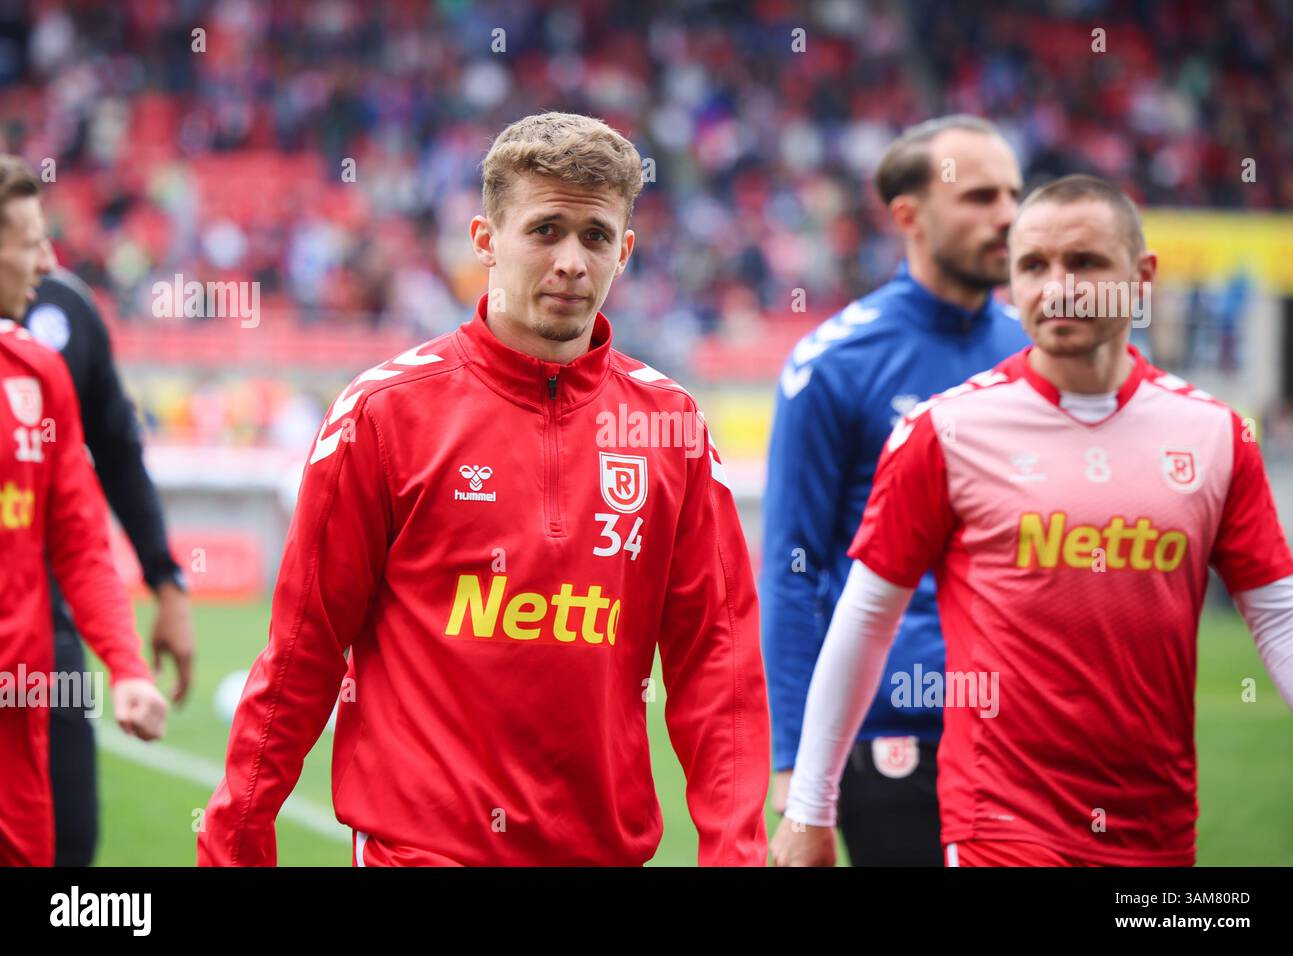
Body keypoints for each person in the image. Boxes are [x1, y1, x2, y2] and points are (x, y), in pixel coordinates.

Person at [198, 112, 770, 867]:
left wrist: (737, 852)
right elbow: (304, 651)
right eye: (545, 230)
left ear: (624, 252)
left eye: (595, 237)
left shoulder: (673, 427)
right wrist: (234, 843)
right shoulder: (384, 412)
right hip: (423, 852)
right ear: (485, 240)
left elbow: (718, 668)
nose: (571, 261)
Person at [772, 174, 1293, 867]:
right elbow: (867, 616)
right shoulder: (945, 429)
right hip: (999, 826)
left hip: (1158, 830)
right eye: (1032, 266)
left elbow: (1279, 616)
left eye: (1084, 262)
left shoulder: (1215, 435)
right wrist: (810, 807)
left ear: (1142, 278)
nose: (1057, 286)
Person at [761, 115, 1026, 864]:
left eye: (1012, 193)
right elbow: (793, 570)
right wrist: (792, 766)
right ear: (909, 214)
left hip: (1029, 724)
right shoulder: (834, 364)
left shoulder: (1039, 355)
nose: (1006, 214)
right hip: (897, 729)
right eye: (978, 196)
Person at [0, 156, 168, 866]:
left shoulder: (41, 375)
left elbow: (77, 545)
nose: (48, 262)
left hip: (20, 713)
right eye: (30, 242)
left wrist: (126, 667)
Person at [19, 260, 195, 868]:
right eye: (26, 240)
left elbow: (82, 531)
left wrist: (132, 654)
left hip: (38, 634)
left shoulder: (47, 352)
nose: (45, 258)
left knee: (66, 848)